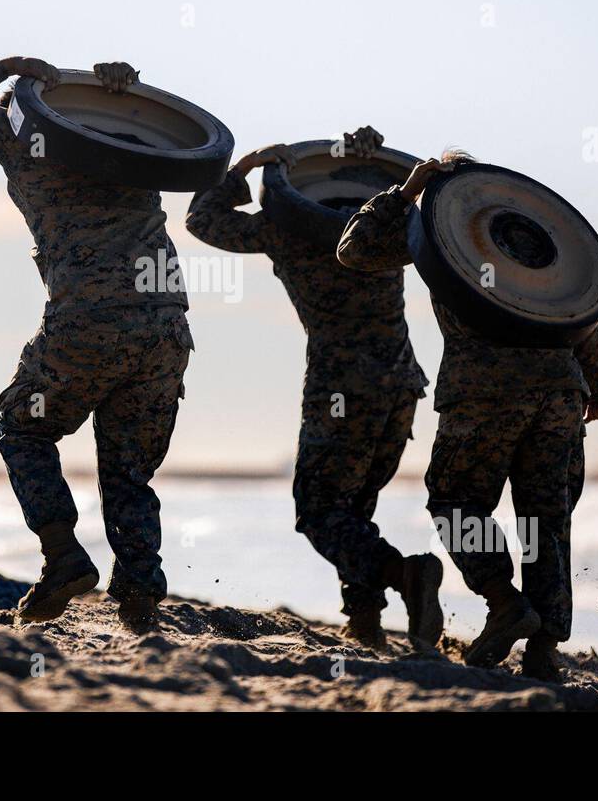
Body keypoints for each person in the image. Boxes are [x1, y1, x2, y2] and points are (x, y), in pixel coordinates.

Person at [0, 56, 192, 633]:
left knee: (22, 428)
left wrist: (9, 65)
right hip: (165, 325)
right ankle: (140, 602)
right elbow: (173, 136)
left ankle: (64, 557)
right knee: (129, 471)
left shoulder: (15, 140)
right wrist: (115, 93)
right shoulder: (125, 145)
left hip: (87, 318)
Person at [337, 150, 598, 674]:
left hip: (483, 392)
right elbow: (574, 307)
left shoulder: (442, 233)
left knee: (456, 504)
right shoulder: (534, 231)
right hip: (558, 392)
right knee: (546, 518)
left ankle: (504, 602)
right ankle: (543, 648)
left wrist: (404, 193)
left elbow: (355, 250)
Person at [185, 128, 444, 650]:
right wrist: (373, 161)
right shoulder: (388, 235)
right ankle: (365, 619)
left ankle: (404, 576)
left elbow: (203, 220)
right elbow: (418, 208)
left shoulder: (285, 234)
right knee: (354, 507)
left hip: (340, 384)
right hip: (401, 383)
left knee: (320, 510)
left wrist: (244, 168)